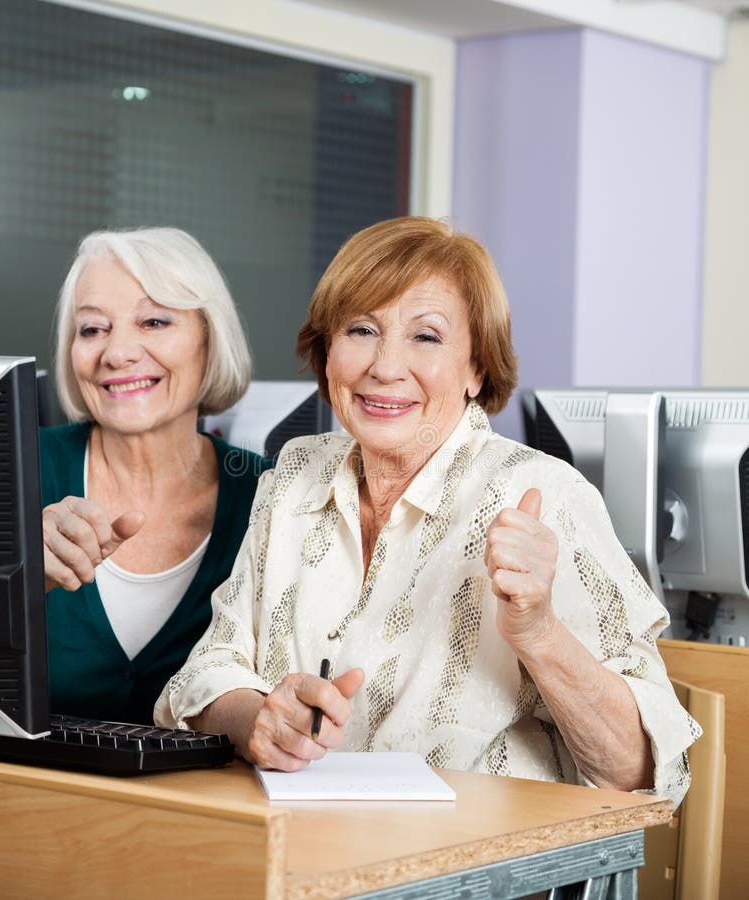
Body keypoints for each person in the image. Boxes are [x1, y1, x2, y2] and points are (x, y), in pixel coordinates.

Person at [155, 216, 699, 803]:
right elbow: (205, 674)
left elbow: (643, 773)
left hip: (478, 873)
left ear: (476, 369)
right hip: (296, 856)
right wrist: (258, 721)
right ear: (328, 352)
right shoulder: (294, 474)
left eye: (427, 336)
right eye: (361, 330)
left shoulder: (541, 494)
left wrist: (539, 632)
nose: (385, 366)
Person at [42, 227, 270, 724]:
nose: (117, 352)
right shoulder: (10, 472)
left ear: (210, 340)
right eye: (92, 329)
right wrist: (9, 582)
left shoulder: (274, 496)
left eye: (153, 321)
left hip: (210, 802)